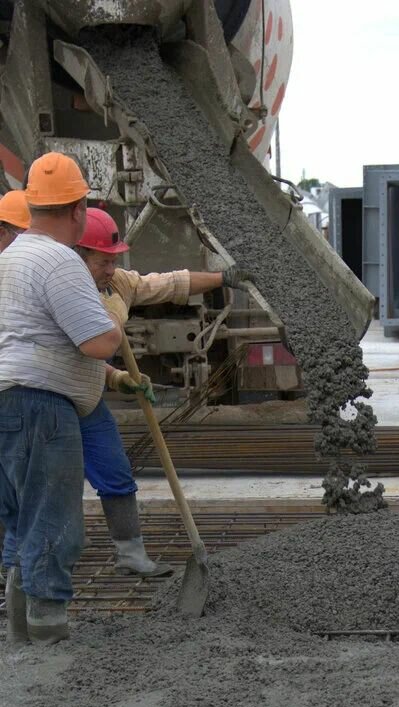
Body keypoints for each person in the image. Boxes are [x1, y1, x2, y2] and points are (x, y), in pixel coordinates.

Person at [74, 207, 255, 574]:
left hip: (87, 398)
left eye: (114, 260)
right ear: (78, 256)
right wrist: (113, 311)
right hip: (51, 401)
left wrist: (223, 277)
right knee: (53, 482)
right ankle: (44, 565)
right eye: (102, 262)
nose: (111, 269)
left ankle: (131, 555)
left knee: (115, 471)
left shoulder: (116, 283)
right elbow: (92, 343)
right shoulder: (61, 289)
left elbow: (170, 284)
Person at [0, 154, 121, 643]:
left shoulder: (8, 259)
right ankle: (48, 635)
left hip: (7, 402)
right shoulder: (59, 260)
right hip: (42, 409)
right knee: (53, 519)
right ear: (77, 209)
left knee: (23, 517)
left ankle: (21, 635)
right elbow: (98, 343)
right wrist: (112, 321)